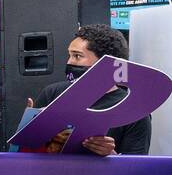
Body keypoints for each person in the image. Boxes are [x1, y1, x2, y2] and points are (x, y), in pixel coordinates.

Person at [28, 25, 150, 156]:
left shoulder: (134, 111)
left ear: (106, 63)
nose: (70, 61)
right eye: (69, 55)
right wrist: (29, 124)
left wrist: (111, 156)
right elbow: (27, 153)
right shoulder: (53, 93)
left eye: (77, 56)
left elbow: (136, 169)